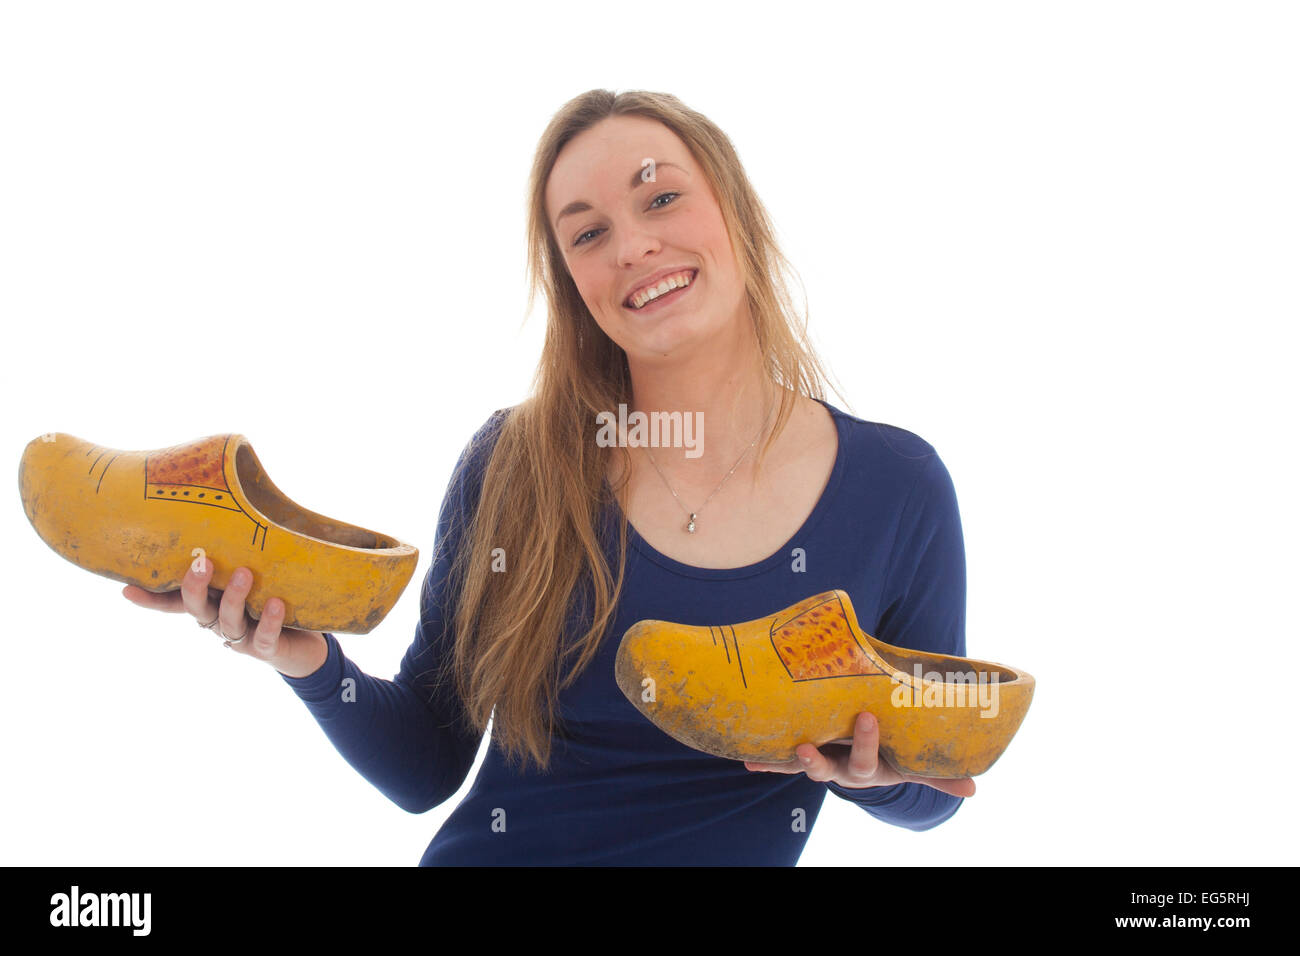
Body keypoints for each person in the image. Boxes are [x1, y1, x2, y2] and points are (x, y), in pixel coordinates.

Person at [124, 89, 975, 865]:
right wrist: (306, 660)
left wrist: (871, 780)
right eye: (588, 233)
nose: (635, 246)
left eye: (662, 198)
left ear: (737, 213)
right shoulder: (516, 465)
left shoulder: (897, 489)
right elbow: (426, 763)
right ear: (572, 280)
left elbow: (936, 788)